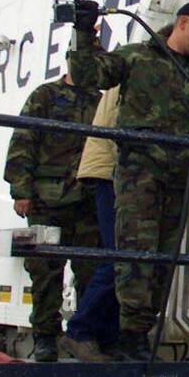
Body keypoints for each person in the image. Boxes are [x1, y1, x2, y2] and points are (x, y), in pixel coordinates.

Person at [68, 0, 189, 361]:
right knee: (134, 256)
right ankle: (126, 334)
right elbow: (88, 75)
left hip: (177, 177)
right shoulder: (137, 58)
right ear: (184, 23)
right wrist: (82, 33)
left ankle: (135, 333)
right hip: (138, 174)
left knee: (161, 258)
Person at [3, 73, 102, 362]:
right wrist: (21, 191)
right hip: (48, 200)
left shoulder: (99, 101)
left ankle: (83, 335)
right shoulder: (45, 96)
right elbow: (23, 142)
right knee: (46, 272)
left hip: (87, 200)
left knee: (90, 271)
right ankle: (45, 336)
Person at [59, 86, 121, 362]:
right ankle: (80, 330)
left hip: (113, 169)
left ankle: (103, 335)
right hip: (112, 171)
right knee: (119, 256)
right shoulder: (137, 69)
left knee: (121, 257)